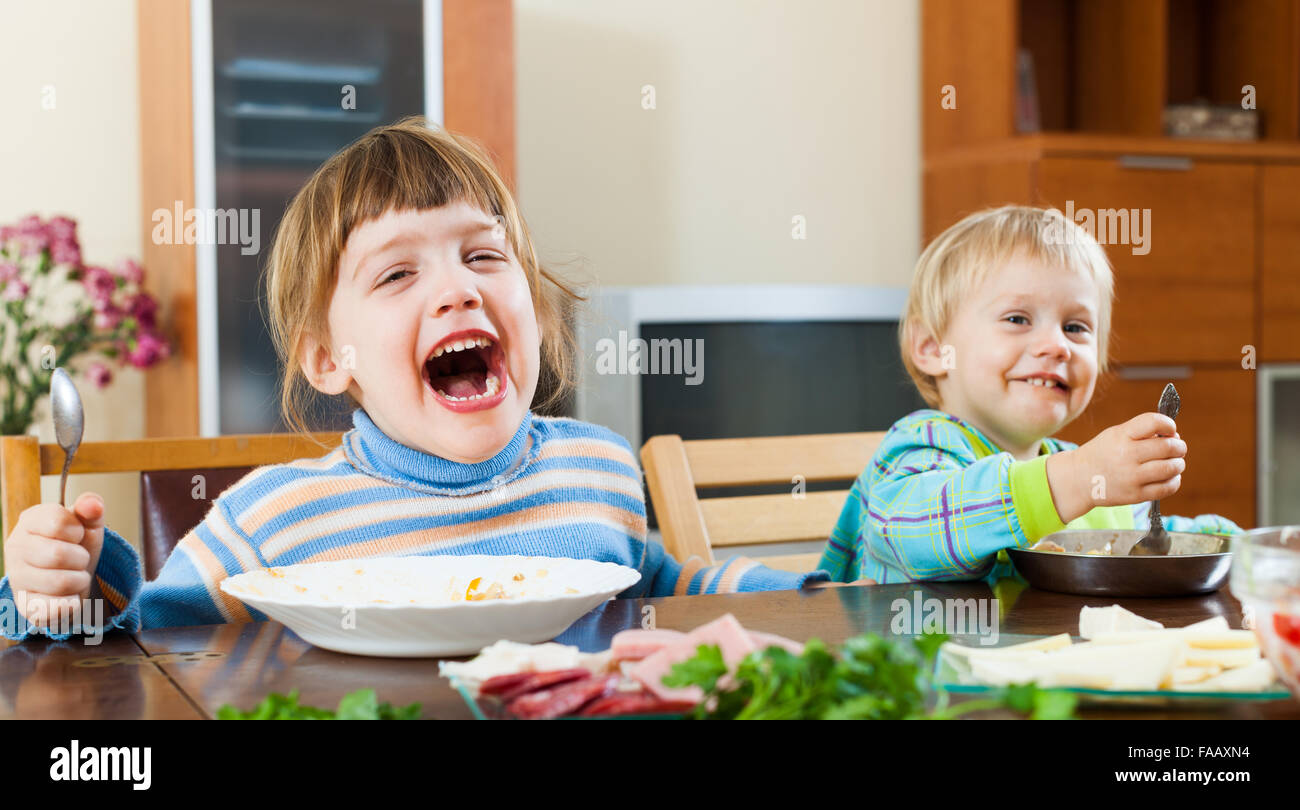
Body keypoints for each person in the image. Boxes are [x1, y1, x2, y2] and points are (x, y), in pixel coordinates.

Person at [1, 117, 831, 640]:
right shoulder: (273, 520)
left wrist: (812, 596)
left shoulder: (598, 466)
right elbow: (144, 635)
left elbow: (652, 583)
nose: (458, 288)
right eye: (397, 276)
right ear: (330, 359)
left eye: (482, 256)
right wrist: (71, 586)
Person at [818, 205, 1240, 584]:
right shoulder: (924, 445)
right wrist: (1075, 477)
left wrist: (1247, 546)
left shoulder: (1078, 468)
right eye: (1018, 318)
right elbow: (911, 533)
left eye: (1076, 327)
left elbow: (1143, 535)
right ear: (932, 347)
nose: (1057, 345)